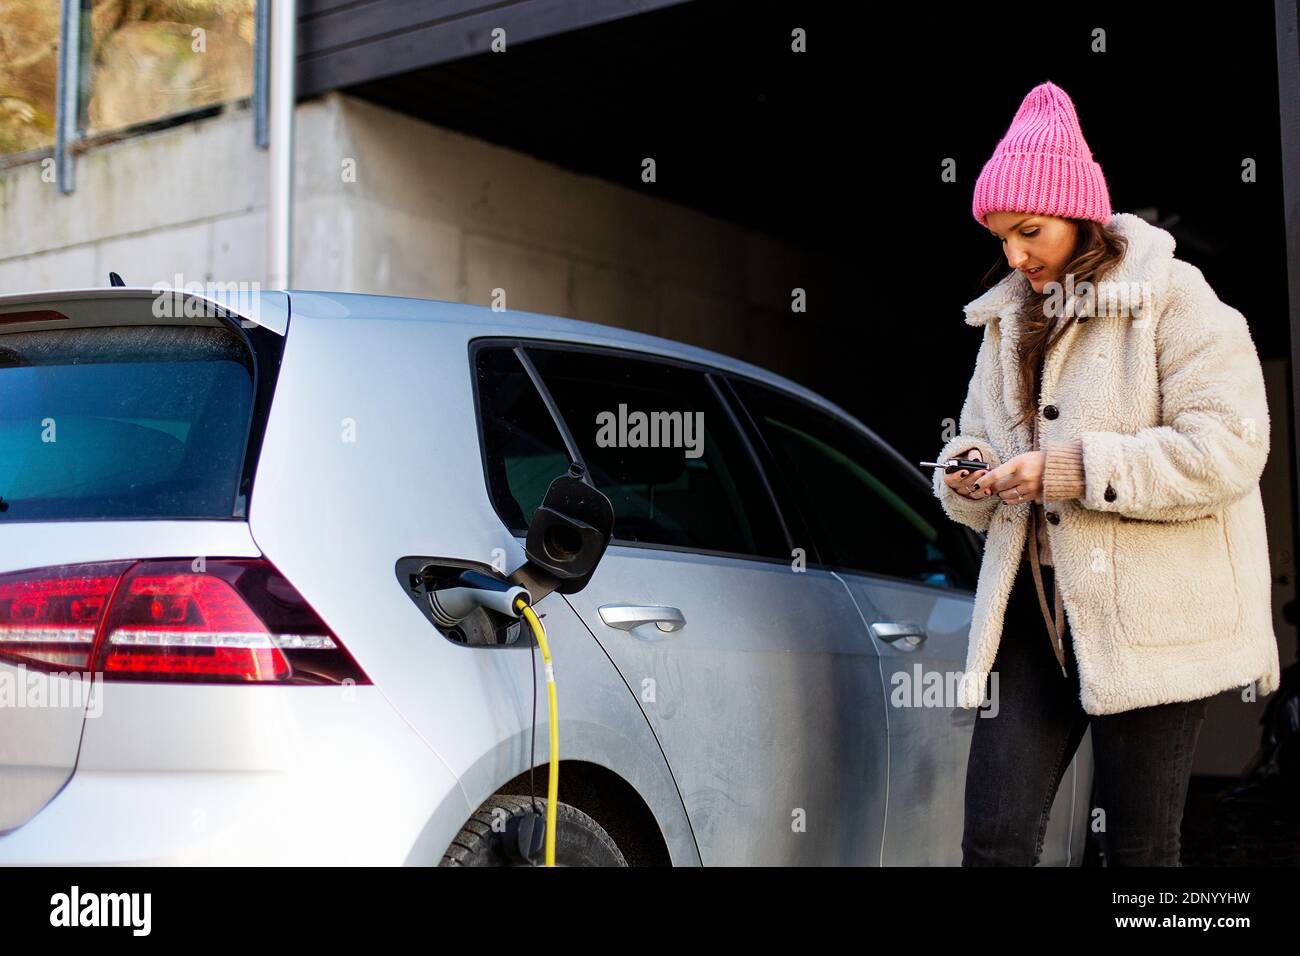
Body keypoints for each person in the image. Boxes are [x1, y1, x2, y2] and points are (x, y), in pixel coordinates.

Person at [931, 80, 1281, 866]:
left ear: (1082, 217)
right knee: (992, 840)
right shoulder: (1007, 319)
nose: (1015, 256)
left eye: (1030, 232)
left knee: (1141, 851)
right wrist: (967, 473)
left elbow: (1230, 444)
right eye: (1001, 237)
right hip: (1036, 617)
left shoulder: (1174, 298)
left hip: (1152, 619)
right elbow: (976, 440)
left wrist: (1073, 470)